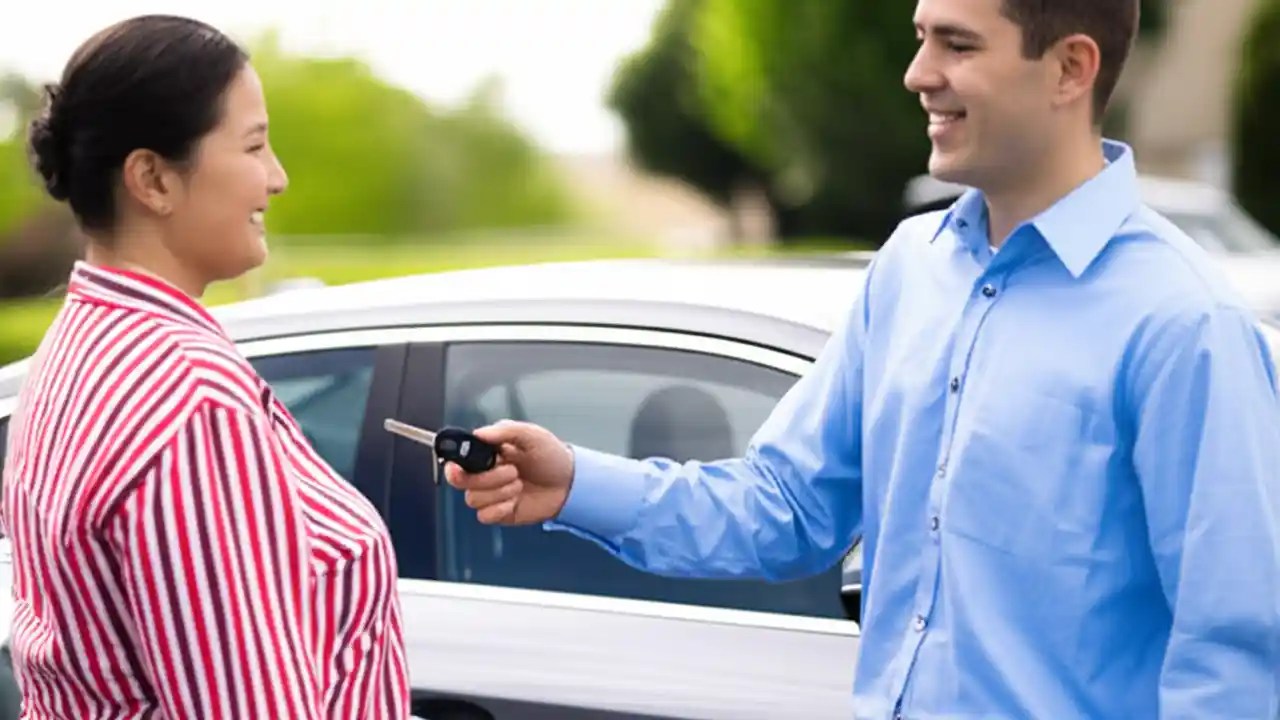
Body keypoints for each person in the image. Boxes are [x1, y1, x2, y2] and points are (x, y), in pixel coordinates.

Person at [446, 0, 1280, 718]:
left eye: (956, 44)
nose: (918, 73)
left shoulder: (1183, 325)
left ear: (1069, 68)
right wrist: (577, 485)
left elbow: (1235, 656)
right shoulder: (910, 269)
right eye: (921, 37)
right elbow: (784, 507)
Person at [0, 15, 410, 719]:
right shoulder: (191, 402)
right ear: (153, 178)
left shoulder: (74, 348)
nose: (276, 178)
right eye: (254, 146)